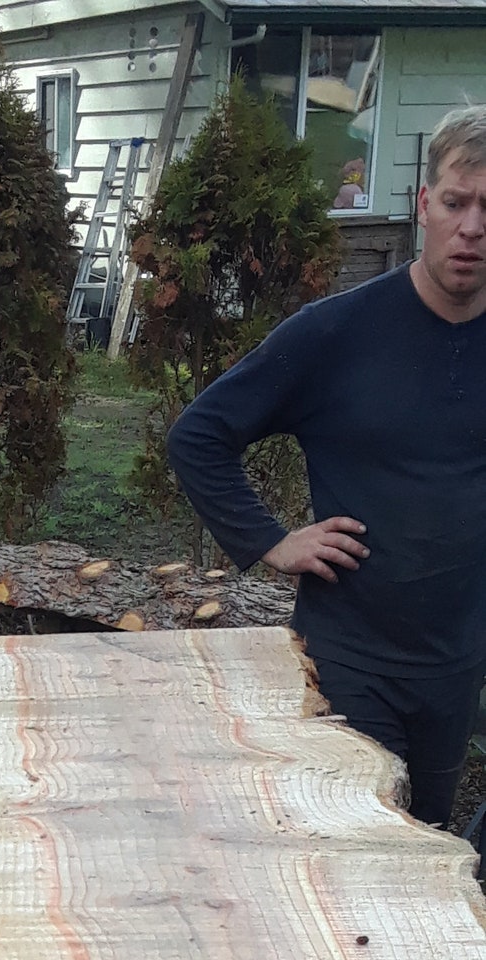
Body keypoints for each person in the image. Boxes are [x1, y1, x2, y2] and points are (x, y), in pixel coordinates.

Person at [166, 104, 486, 826]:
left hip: (455, 668)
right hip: (350, 661)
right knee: (355, 846)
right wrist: (270, 540)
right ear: (424, 206)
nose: (472, 227)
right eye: (457, 203)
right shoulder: (337, 334)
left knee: (429, 849)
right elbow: (199, 436)